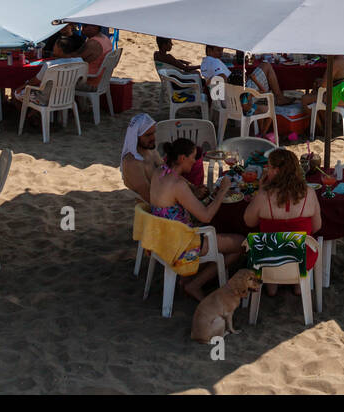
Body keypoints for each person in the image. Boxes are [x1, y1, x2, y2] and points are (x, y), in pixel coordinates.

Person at [145, 137, 246, 300]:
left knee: (218, 232)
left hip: (161, 237)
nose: (195, 160)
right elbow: (206, 217)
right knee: (241, 243)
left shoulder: (160, 172)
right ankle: (195, 284)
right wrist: (223, 191)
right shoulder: (178, 185)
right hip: (180, 244)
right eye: (193, 157)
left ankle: (188, 278)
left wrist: (201, 193)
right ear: (182, 158)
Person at [244, 148, 322, 293]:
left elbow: (249, 222)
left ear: (277, 171)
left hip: (269, 258)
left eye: (269, 167)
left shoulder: (263, 196)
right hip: (300, 257)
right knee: (300, 249)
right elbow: (317, 226)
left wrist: (261, 191)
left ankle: (272, 285)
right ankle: (298, 285)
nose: (266, 170)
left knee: (271, 250)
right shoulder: (309, 193)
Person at [121, 113, 162, 201]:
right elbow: (147, 195)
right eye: (148, 135)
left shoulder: (151, 151)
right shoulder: (132, 162)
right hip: (149, 204)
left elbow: (167, 172)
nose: (153, 138)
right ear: (136, 137)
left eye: (153, 133)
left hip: (160, 195)